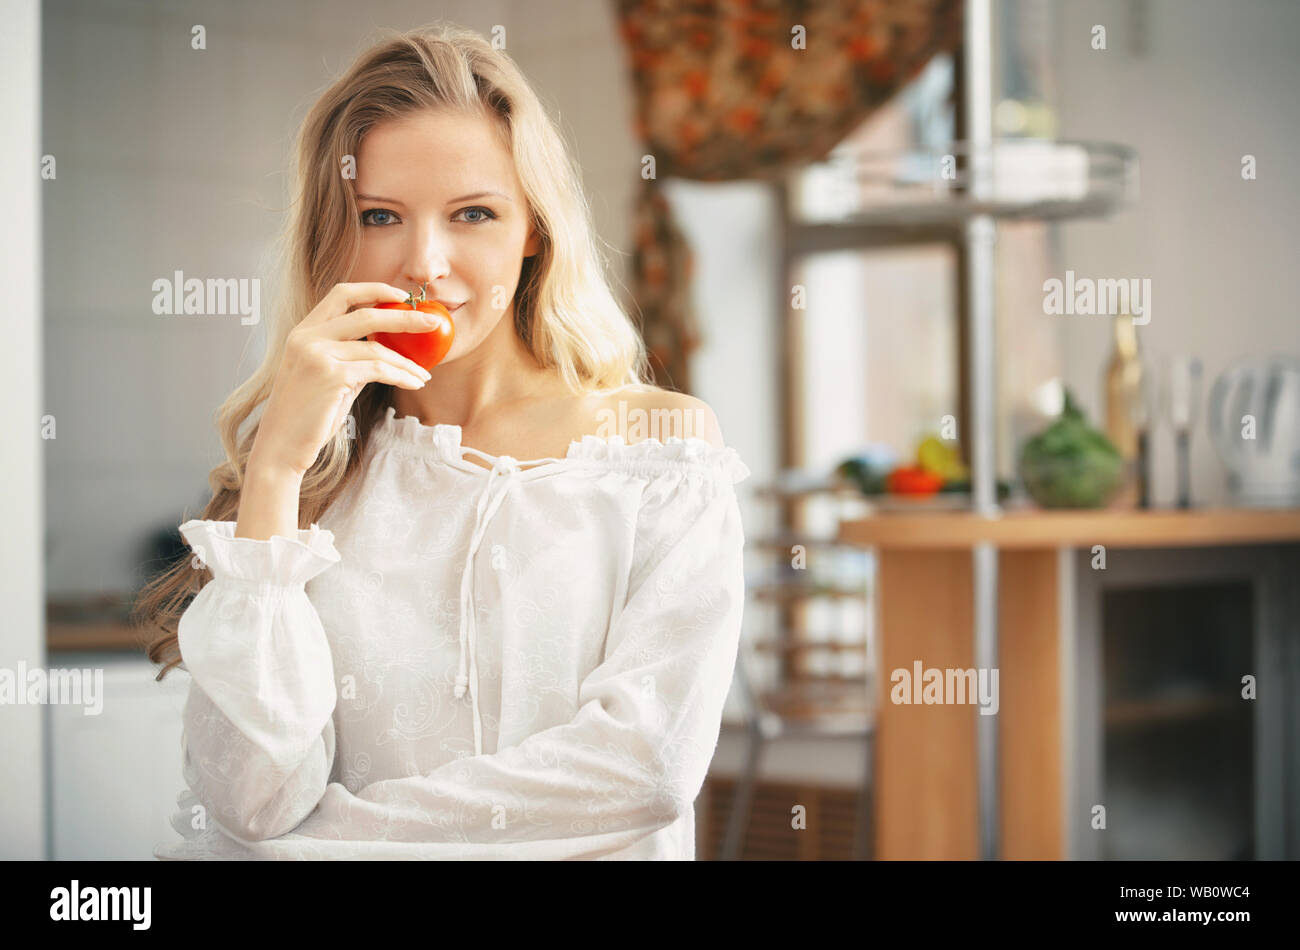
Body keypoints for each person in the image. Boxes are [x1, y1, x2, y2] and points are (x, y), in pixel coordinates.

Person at [134, 23, 750, 860]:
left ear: (534, 227)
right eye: (380, 215)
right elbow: (246, 796)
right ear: (334, 233)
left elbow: (643, 771)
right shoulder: (315, 467)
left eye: (473, 214)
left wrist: (308, 847)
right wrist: (276, 466)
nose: (425, 263)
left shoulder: (658, 449)